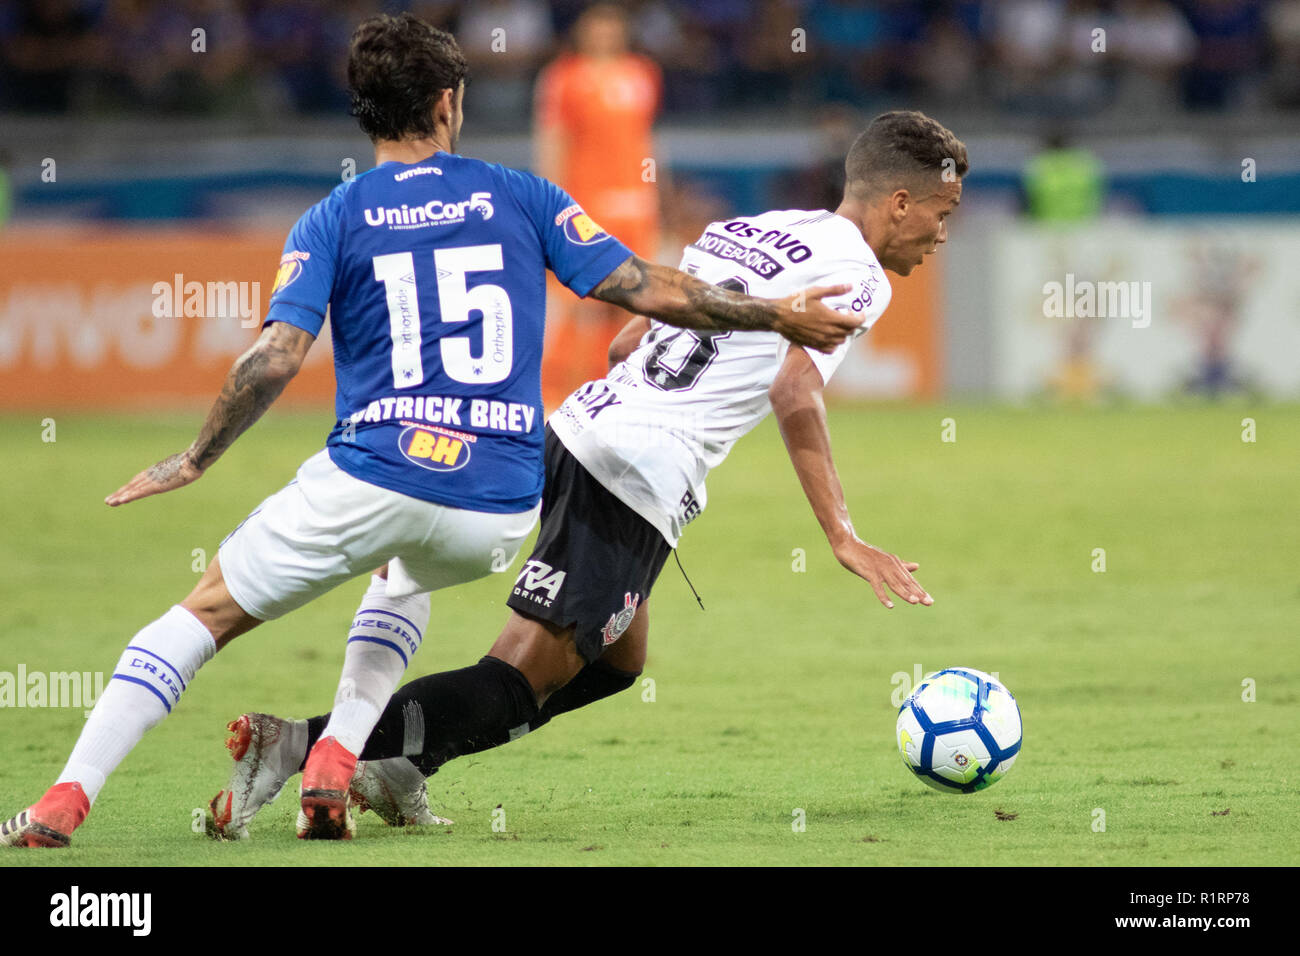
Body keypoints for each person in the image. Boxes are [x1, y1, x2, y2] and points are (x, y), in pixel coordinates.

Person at [0, 13, 859, 850]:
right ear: (449, 102)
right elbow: (648, 288)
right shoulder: (522, 194)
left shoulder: (335, 217)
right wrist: (777, 313)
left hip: (376, 470)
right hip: (497, 505)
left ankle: (62, 802)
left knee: (204, 613)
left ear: (362, 111)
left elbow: (272, 359)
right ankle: (335, 755)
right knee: (403, 573)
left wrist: (194, 458)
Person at [204, 110, 967, 840]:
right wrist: (842, 534)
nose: (943, 231)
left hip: (578, 428)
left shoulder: (749, 228)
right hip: (635, 473)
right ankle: (294, 746)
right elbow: (794, 391)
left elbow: (627, 341)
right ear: (899, 202)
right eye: (942, 210)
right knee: (519, 677)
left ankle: (405, 766)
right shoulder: (862, 276)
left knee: (619, 661)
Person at [534, 3, 664, 404]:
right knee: (584, 306)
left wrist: (656, 194)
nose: (605, 32)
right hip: (588, 205)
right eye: (598, 24)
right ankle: (564, 396)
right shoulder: (562, 77)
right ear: (583, 30)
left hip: (636, 205)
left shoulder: (643, 73)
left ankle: (628, 395)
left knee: (639, 301)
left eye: (613, 24)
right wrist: (550, 203)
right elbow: (553, 141)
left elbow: (648, 139)